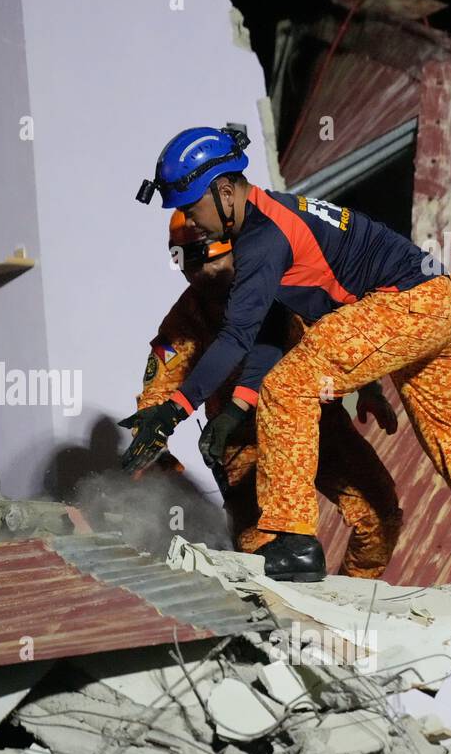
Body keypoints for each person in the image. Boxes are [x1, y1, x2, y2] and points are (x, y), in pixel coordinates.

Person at [124, 126, 451, 609]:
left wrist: (176, 409)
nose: (192, 224)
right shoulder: (274, 218)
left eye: (193, 209)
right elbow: (275, 334)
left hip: (405, 306)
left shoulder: (260, 239)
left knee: (285, 387)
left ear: (223, 190)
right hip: (443, 304)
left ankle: (294, 541)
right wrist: (364, 385)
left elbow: (243, 337)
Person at [125, 211, 402, 578]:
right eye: (187, 262)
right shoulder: (186, 322)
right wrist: (158, 458)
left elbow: (343, 331)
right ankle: (286, 629)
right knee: (267, 560)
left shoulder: (290, 282)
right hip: (244, 443)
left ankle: (346, 612)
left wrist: (369, 386)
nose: (199, 274)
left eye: (208, 259)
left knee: (379, 517)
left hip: (318, 425)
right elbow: (155, 397)